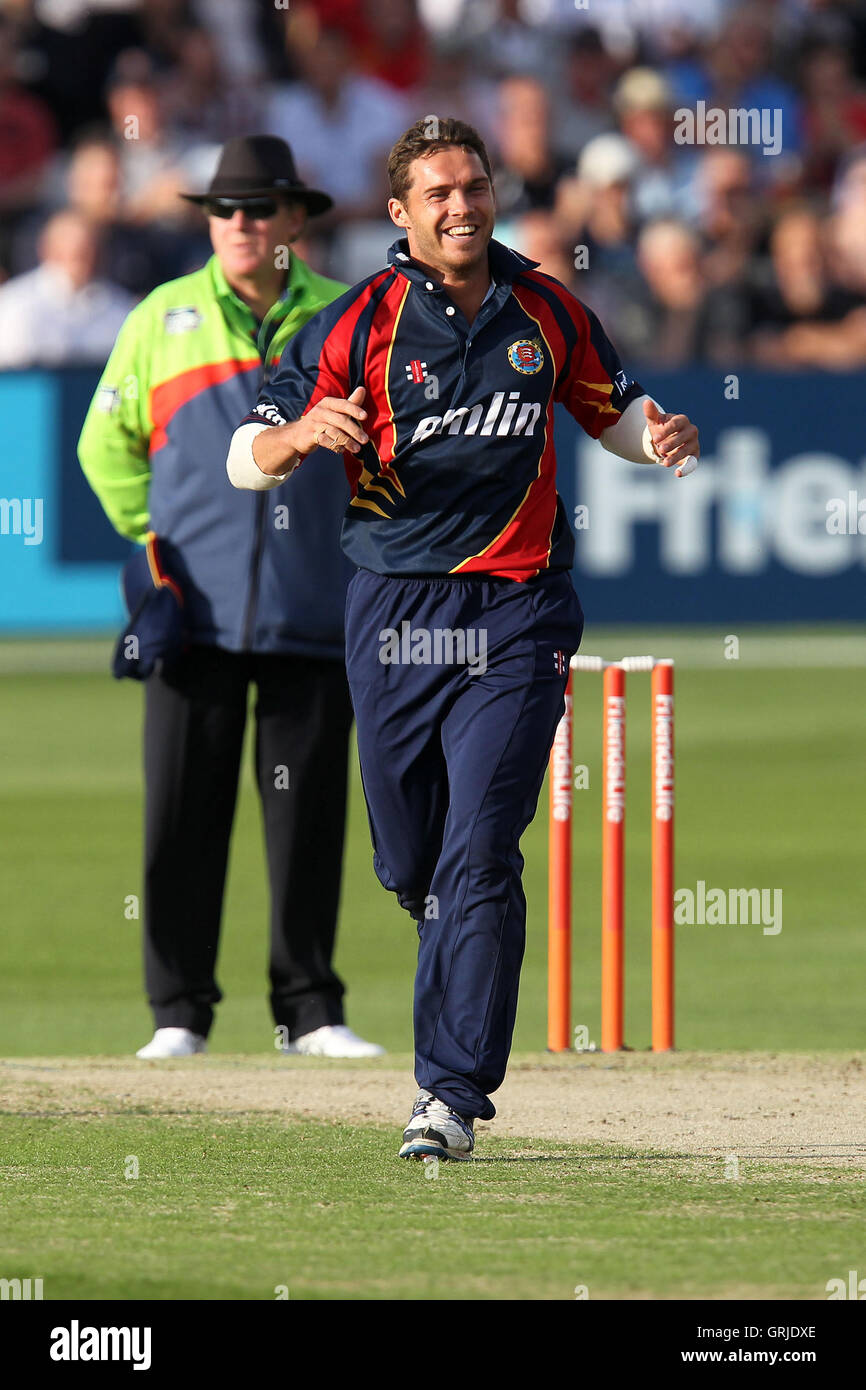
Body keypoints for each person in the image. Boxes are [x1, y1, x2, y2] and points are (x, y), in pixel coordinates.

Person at [226, 117, 699, 1157]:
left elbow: (607, 409)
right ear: (399, 212)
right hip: (393, 612)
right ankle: (449, 924)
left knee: (480, 850)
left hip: (518, 608)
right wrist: (296, 435)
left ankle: (446, 1094)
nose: (461, 207)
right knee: (415, 863)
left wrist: (650, 430)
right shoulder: (355, 322)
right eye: (437, 192)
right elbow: (243, 453)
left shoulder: (546, 305)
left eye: (473, 186)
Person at [79, 135, 383, 1061]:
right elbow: (106, 447)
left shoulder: (349, 316)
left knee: (308, 817)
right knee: (181, 812)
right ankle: (178, 1012)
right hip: (194, 614)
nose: (241, 224)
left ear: (298, 220)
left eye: (260, 208)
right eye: (225, 210)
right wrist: (153, 554)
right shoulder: (160, 317)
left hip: (314, 607)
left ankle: (310, 1011)